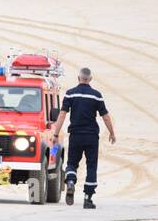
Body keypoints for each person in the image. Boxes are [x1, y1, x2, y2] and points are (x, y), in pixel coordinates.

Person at [47, 67, 116, 209]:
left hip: (75, 135)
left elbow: (62, 114)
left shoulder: (70, 94)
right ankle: (87, 198)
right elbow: (106, 117)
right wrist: (112, 133)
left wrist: (55, 134)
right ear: (90, 79)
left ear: (78, 78)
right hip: (91, 136)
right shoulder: (96, 95)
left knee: (72, 163)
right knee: (91, 165)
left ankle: (70, 181)